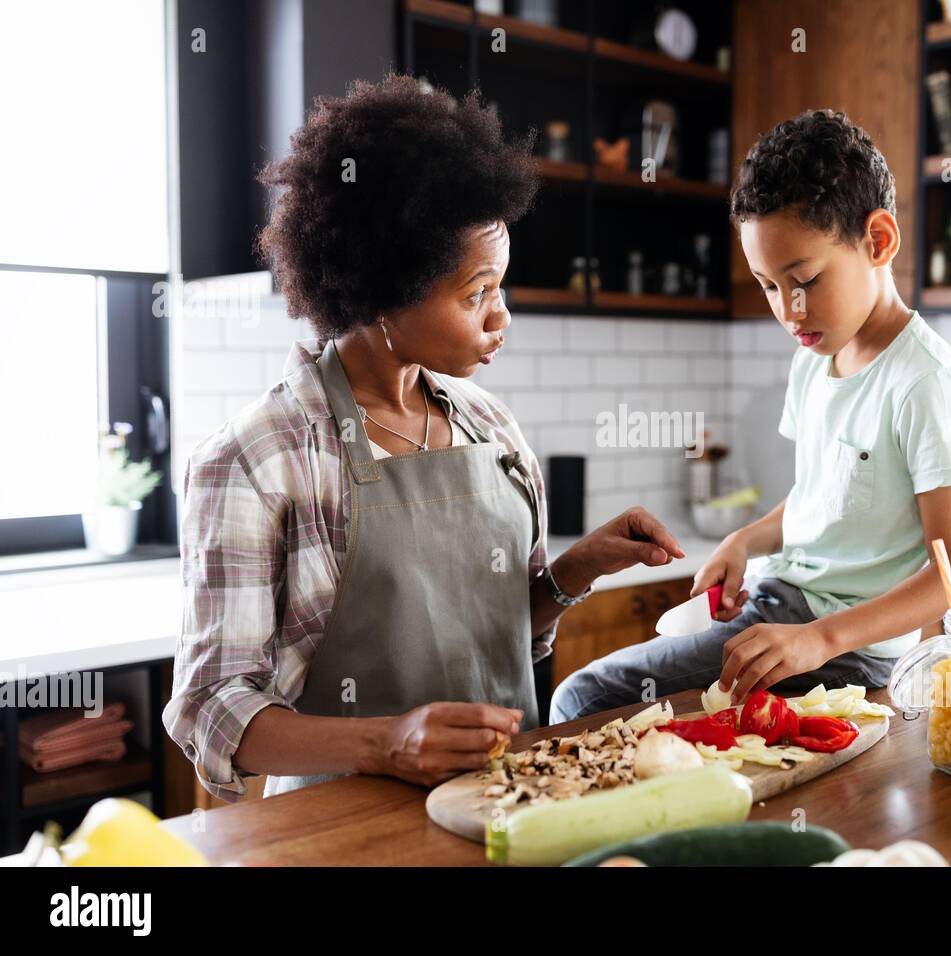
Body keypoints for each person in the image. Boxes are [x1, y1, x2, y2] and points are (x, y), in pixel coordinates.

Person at [165, 76, 683, 800]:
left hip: (510, 804)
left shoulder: (490, 426)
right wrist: (389, 742)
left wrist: (573, 573)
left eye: (500, 288)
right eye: (476, 295)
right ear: (385, 288)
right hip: (340, 829)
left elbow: (494, 632)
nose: (500, 318)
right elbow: (212, 708)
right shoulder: (257, 459)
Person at [552, 109, 951, 722]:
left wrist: (821, 639)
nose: (789, 310)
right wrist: (744, 539)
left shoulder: (923, 383)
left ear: (879, 241)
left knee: (583, 697)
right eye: (767, 285)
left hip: (844, 651)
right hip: (783, 609)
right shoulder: (815, 355)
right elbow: (823, 497)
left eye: (802, 278)